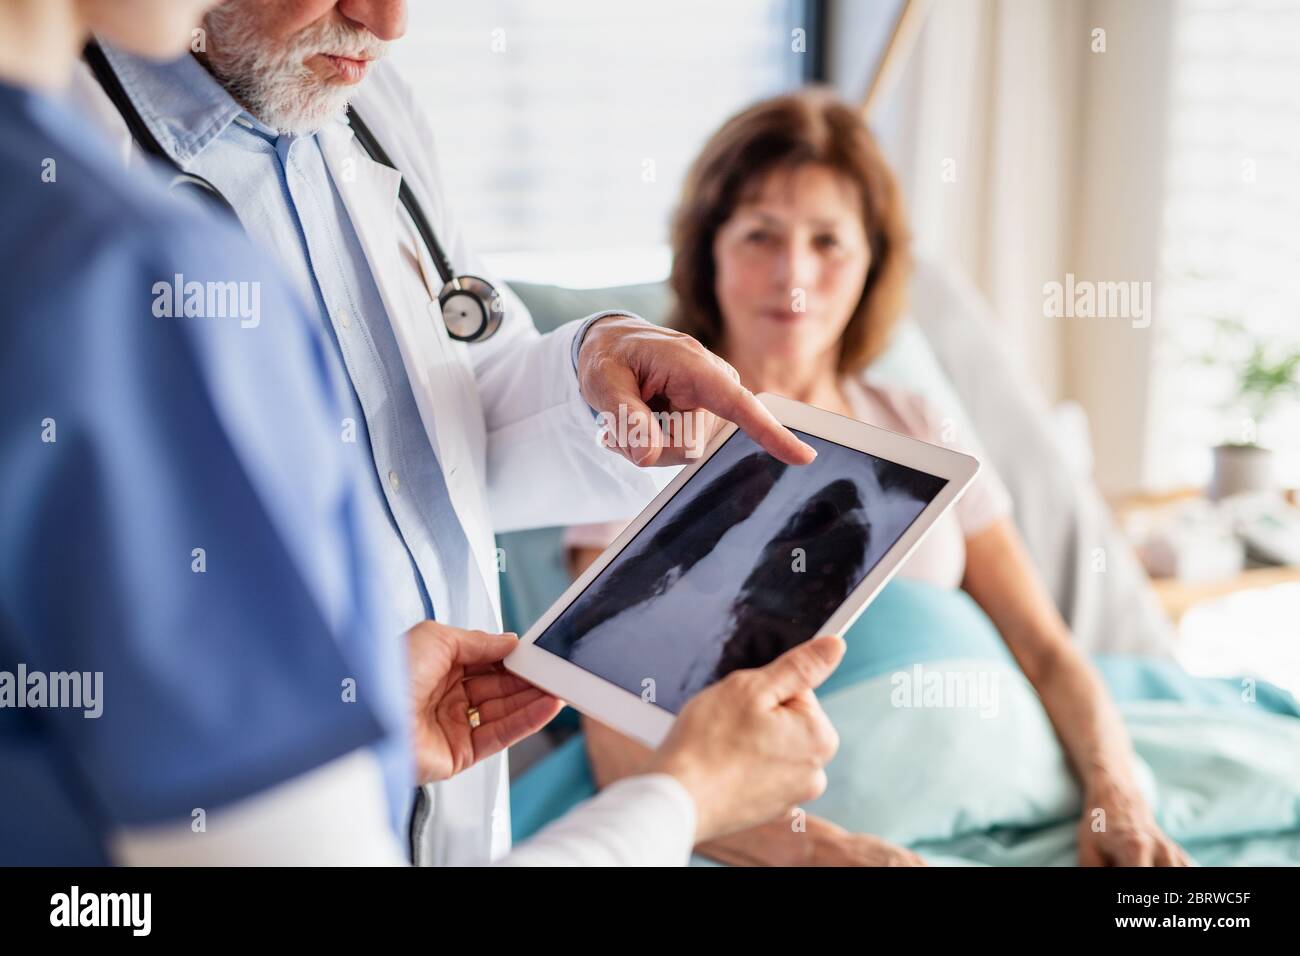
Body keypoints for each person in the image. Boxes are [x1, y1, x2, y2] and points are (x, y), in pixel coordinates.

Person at [0, 0, 842, 866]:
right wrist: (681, 799)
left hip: (424, 758)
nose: (389, 22)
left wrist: (595, 367)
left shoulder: (367, 105)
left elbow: (423, 421)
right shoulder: (114, 250)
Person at [564, 90, 1192, 867]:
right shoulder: (645, 433)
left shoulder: (921, 422)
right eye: (761, 234)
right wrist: (832, 855)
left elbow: (1050, 650)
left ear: (872, 264)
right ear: (709, 251)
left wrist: (1115, 794)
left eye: (828, 241)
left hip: (1017, 805)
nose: (794, 274)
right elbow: (617, 740)